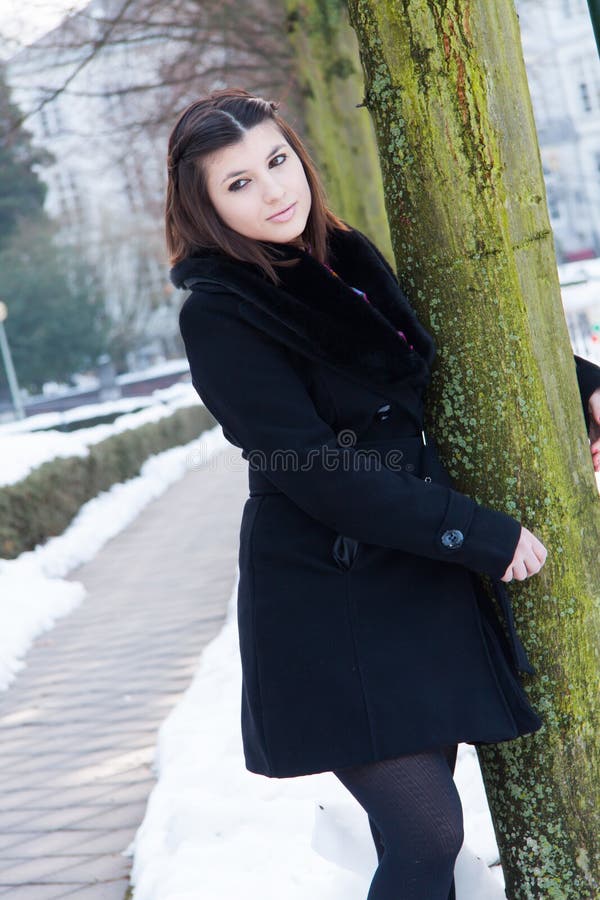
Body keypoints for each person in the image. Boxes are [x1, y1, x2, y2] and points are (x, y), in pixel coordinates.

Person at [167, 87, 600, 900]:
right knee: (427, 834)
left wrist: (581, 386)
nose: (273, 190)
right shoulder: (220, 315)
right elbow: (316, 470)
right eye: (238, 184)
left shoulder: (343, 256)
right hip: (328, 597)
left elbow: (433, 361)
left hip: (405, 583)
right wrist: (477, 532)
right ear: (206, 208)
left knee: (423, 841)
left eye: (275, 160)